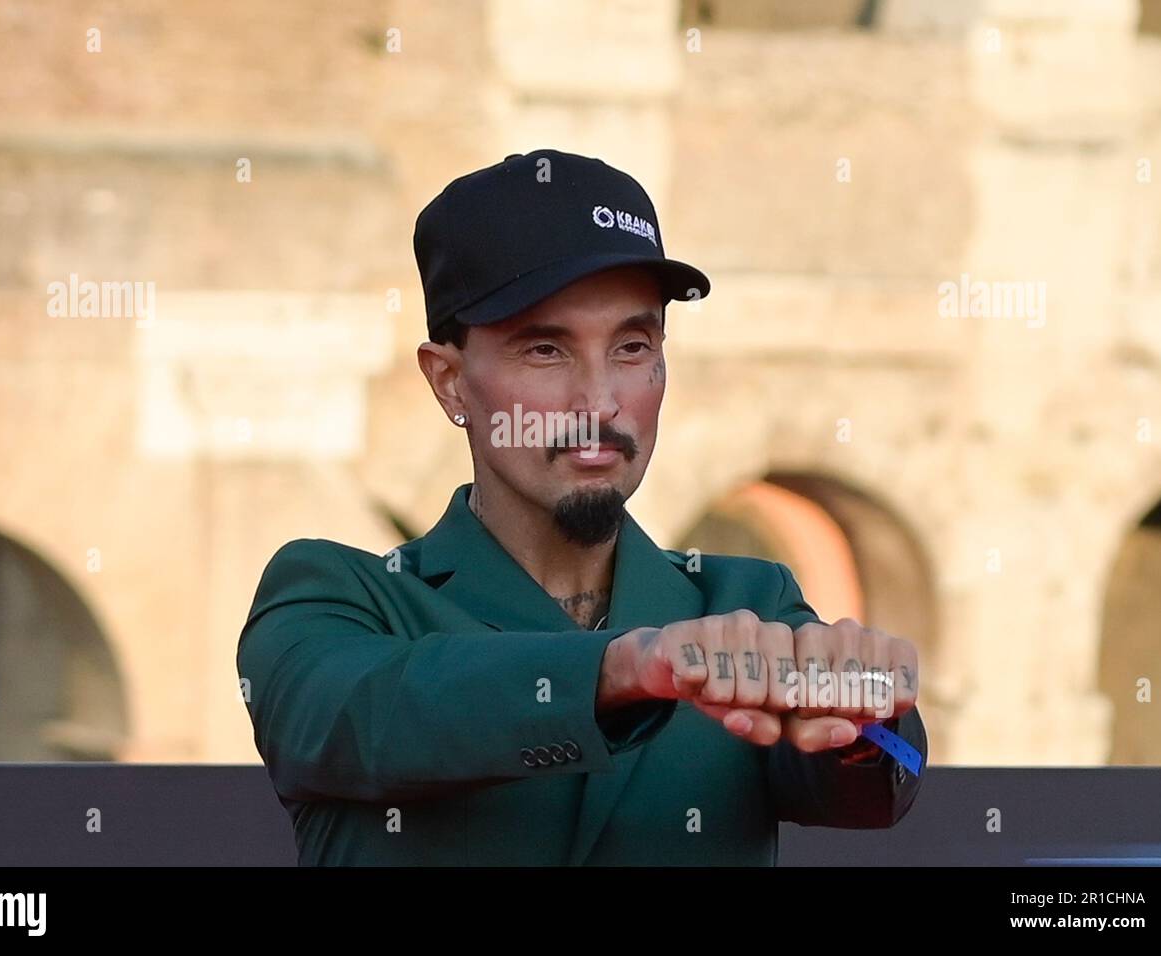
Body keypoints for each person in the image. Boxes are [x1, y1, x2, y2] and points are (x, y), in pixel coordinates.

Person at [237, 148, 927, 865]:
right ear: (448, 382)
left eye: (632, 346)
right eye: (544, 350)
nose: (599, 403)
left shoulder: (749, 601)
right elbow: (353, 721)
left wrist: (867, 716)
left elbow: (874, 789)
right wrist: (623, 669)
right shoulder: (339, 596)